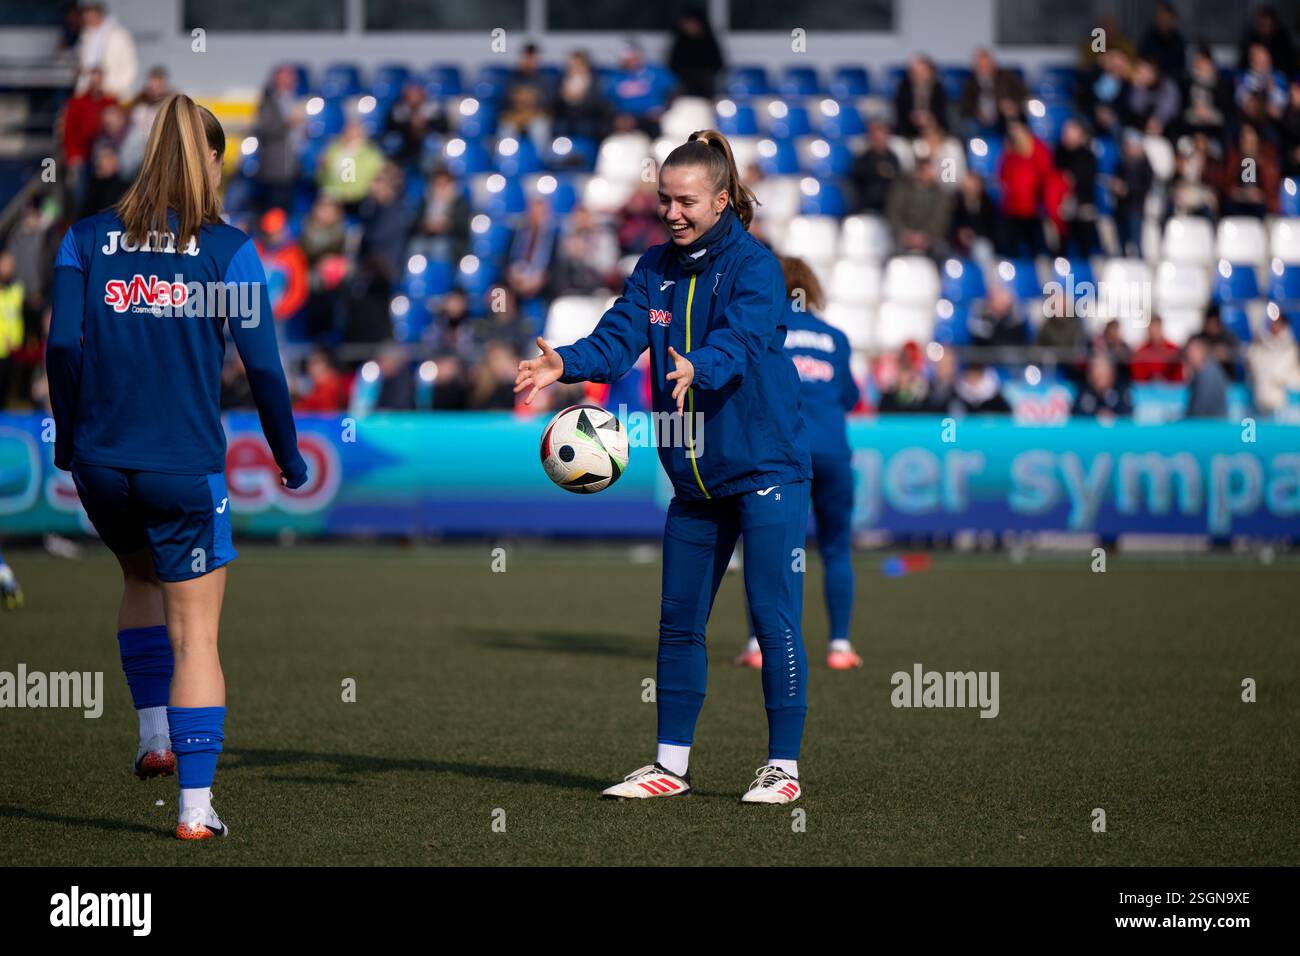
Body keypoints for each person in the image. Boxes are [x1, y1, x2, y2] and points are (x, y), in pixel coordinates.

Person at [514, 129, 812, 805]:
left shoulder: (757, 268)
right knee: (679, 622)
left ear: (724, 199)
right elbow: (618, 337)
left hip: (765, 468)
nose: (672, 213)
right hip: (693, 480)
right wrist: (566, 364)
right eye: (664, 201)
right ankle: (669, 767)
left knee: (773, 615)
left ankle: (782, 768)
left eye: (686, 202)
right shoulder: (652, 267)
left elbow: (742, 338)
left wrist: (698, 364)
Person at [47, 94, 307, 841]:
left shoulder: (86, 239)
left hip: (100, 460)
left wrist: (71, 438)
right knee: (198, 637)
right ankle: (195, 811)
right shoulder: (229, 251)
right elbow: (264, 369)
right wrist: (287, 457)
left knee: (136, 578)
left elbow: (63, 347)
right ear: (213, 161)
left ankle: (153, 737)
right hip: (184, 467)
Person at [734, 256, 863, 672]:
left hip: (783, 455)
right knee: (836, 549)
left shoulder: (766, 331)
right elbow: (849, 397)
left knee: (767, 551)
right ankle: (840, 646)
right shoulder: (836, 337)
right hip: (833, 453)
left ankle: (759, 646)